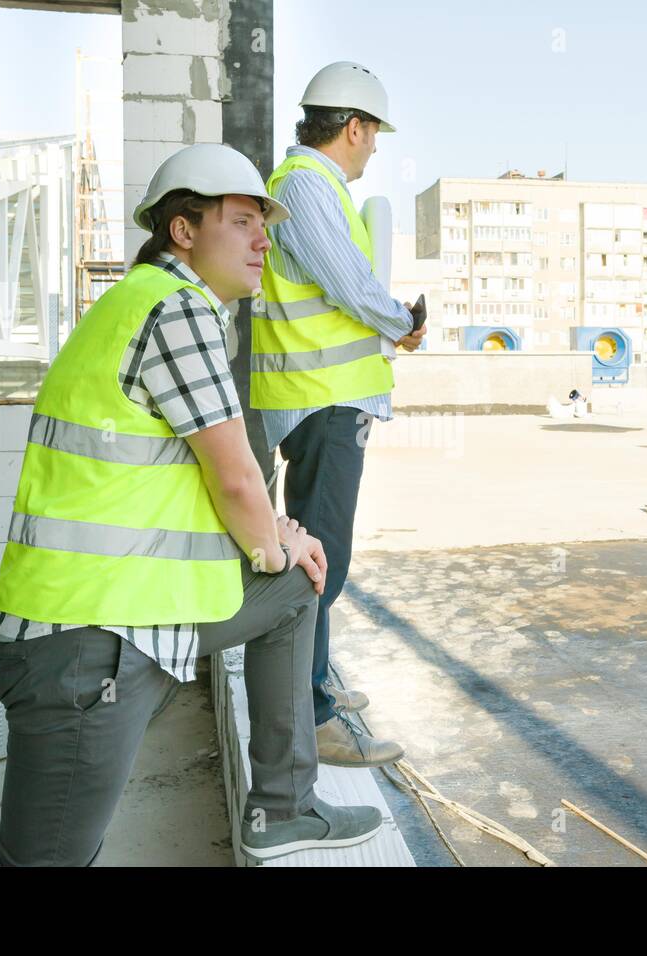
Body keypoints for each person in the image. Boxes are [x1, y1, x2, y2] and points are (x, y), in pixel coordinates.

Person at [0, 143, 383, 865]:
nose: (264, 238)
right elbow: (234, 478)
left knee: (296, 584)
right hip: (84, 641)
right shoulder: (176, 308)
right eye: (241, 221)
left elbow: (201, 477)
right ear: (183, 230)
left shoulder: (145, 302)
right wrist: (274, 542)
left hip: (130, 614)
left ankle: (283, 809)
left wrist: (280, 538)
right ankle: (280, 807)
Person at [252, 62, 426, 768]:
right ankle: (309, 720)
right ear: (353, 128)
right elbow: (349, 283)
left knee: (322, 554)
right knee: (319, 562)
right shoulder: (305, 187)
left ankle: (313, 685)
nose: (377, 147)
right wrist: (404, 322)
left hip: (325, 402)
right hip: (319, 403)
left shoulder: (308, 188)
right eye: (374, 133)